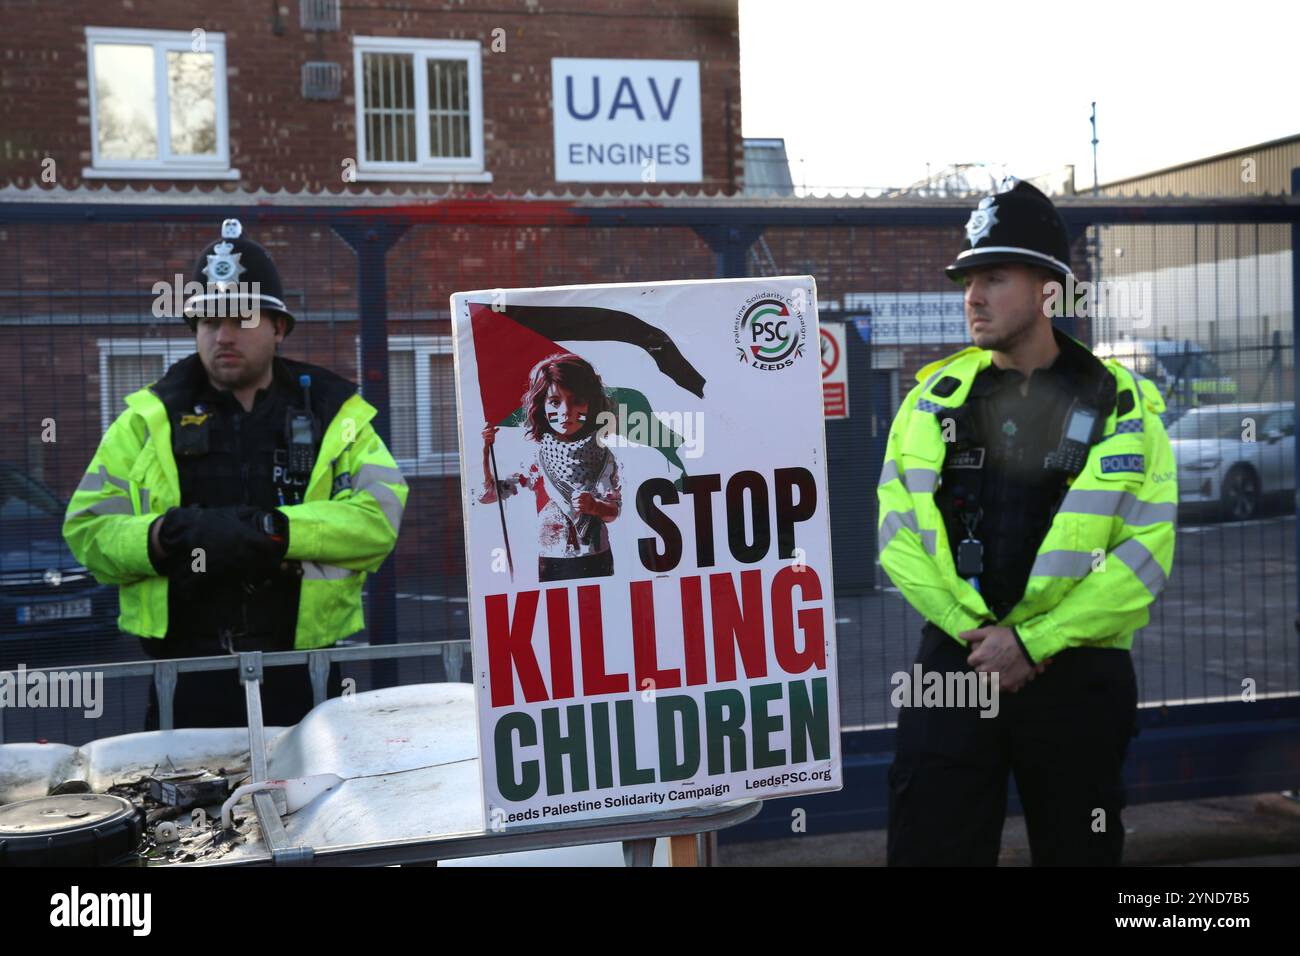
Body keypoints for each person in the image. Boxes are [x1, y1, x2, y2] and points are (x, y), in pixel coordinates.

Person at [877, 180, 1177, 866]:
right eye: (968, 279)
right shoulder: (932, 401)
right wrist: (981, 640)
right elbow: (898, 537)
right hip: (958, 661)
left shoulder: (1121, 406)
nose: (972, 297)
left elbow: (1143, 558)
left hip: (1075, 671)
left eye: (994, 277)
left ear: (1049, 291)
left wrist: (1034, 643)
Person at [63, 219, 408, 729]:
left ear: (278, 327)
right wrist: (163, 536)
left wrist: (277, 532)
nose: (223, 335)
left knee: (312, 804)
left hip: (302, 674)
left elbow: (379, 519)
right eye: (208, 321)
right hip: (186, 676)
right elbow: (87, 529)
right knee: (184, 806)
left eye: (241, 318)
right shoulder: (147, 418)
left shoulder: (336, 415)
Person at [479, 352, 622, 582]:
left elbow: (613, 510)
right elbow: (493, 493)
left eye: (577, 401)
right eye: (555, 402)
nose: (566, 411)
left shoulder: (603, 457)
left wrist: (595, 506)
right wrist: (487, 452)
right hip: (552, 557)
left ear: (592, 404)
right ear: (541, 405)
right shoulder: (535, 458)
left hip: (596, 556)